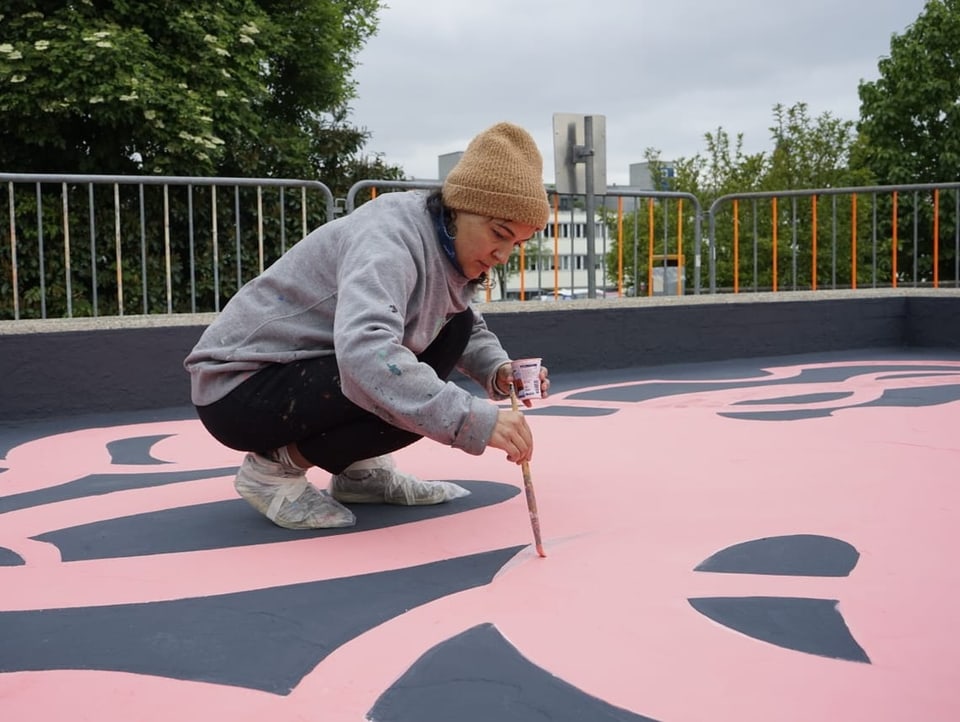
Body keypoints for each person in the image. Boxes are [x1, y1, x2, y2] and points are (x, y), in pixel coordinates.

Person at [184, 121, 552, 530]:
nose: (503, 255)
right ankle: (271, 471)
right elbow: (364, 351)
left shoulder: (447, 248)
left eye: (516, 244)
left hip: (298, 373)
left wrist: (498, 372)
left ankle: (361, 474)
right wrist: (473, 420)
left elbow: (461, 324)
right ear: (459, 205)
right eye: (499, 234)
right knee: (392, 375)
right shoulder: (390, 238)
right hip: (238, 391)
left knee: (452, 331)